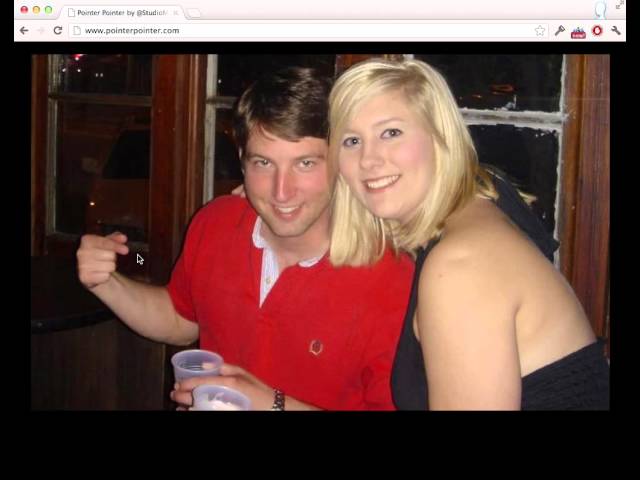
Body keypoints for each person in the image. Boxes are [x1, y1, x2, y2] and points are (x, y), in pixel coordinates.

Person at [76, 66, 414, 410]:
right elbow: (180, 319)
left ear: (340, 163)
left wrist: (272, 405)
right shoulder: (215, 222)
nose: (282, 192)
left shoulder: (393, 278)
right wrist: (107, 283)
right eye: (263, 163)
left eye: (305, 164)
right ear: (242, 161)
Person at [327, 58, 609, 410]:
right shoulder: (484, 197)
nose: (368, 159)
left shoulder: (460, 267)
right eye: (352, 140)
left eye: (391, 133)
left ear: (440, 137)